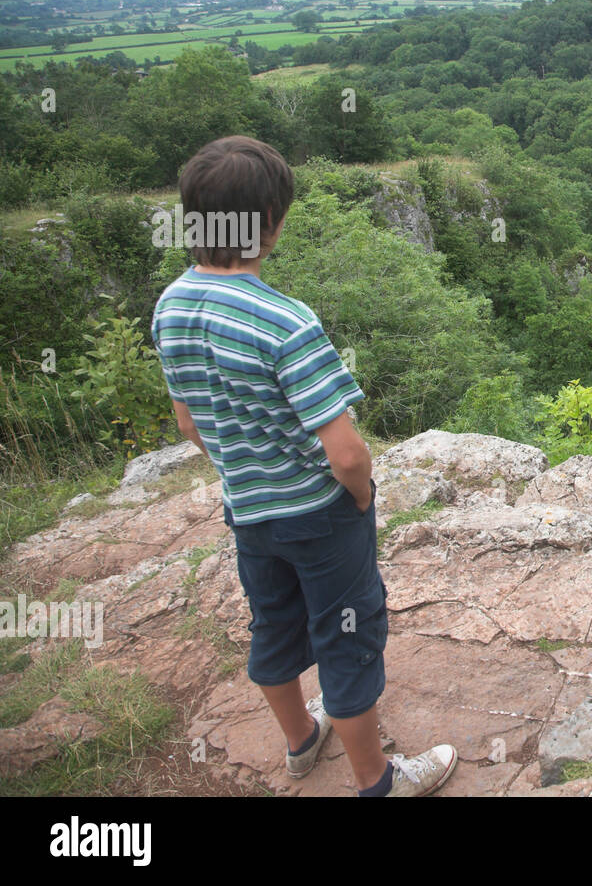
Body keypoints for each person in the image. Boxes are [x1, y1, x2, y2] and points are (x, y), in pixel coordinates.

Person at [152, 135, 457, 797]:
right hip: (318, 516)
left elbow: (187, 424)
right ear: (274, 226)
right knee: (347, 631)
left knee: (274, 623)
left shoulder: (170, 306)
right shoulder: (286, 323)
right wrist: (360, 492)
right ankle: (377, 781)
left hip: (249, 511)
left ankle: (300, 742)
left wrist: (242, 467)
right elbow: (344, 450)